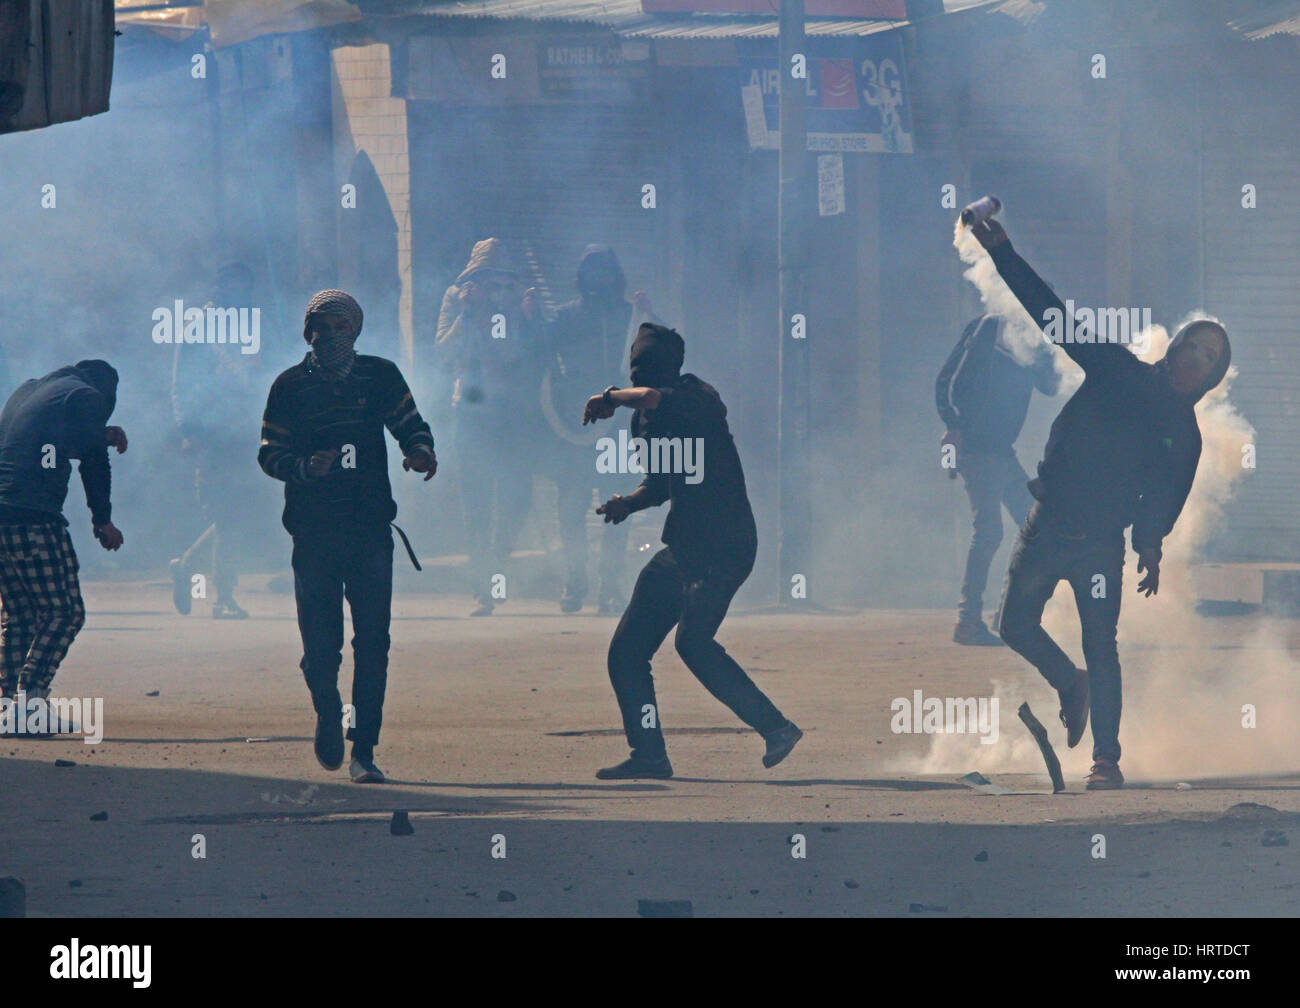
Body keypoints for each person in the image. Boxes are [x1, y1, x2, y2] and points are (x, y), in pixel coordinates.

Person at [971, 218, 1231, 790]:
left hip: (1099, 546)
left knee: (1102, 645)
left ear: (1211, 375)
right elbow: (1052, 316)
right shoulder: (1116, 368)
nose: (1197, 359)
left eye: (1210, 358)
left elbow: (1165, 496)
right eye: (1196, 346)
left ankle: (1106, 759)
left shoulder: (1184, 433)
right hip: (1046, 527)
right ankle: (1071, 684)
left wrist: (1149, 545)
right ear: (1177, 347)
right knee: (1013, 624)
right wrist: (1003, 252)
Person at [583, 323, 802, 779]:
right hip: (684, 546)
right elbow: (661, 482)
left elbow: (650, 397)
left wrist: (608, 396)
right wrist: (629, 503)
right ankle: (649, 754)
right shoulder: (644, 417)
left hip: (726, 544)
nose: (641, 371)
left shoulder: (697, 397)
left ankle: (776, 727)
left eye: (647, 363)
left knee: (693, 642)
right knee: (626, 652)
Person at [259, 290, 437, 784]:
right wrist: (303, 468)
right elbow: (269, 453)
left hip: (370, 531)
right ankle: (327, 710)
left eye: (341, 327)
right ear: (306, 331)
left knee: (373, 643)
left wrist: (420, 452)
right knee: (321, 646)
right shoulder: (289, 386)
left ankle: (364, 750)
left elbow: (410, 425)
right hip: (313, 534)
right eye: (321, 325)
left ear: (355, 331)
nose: (330, 336)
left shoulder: (379, 376)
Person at [0, 360, 126, 733]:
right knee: (65, 611)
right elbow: (93, 463)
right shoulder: (87, 396)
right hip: (33, 517)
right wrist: (102, 519)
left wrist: (98, 433)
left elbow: (45, 446)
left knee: (21, 616)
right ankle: (29, 703)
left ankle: (7, 706)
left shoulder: (31, 390)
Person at [545, 245, 659, 613]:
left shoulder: (630, 317)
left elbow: (656, 353)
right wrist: (528, 317)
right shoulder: (564, 318)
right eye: (592, 273)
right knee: (571, 509)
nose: (599, 281)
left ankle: (609, 587)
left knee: (617, 507)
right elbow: (542, 356)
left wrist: (649, 316)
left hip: (618, 428)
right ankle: (576, 583)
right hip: (575, 426)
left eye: (605, 273)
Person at [936, 312, 1059, 644]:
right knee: (990, 531)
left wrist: (1048, 346)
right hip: (976, 449)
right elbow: (947, 381)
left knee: (1033, 529)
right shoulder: (989, 326)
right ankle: (968, 622)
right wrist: (954, 425)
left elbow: (1050, 386)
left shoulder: (1032, 342)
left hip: (1002, 451)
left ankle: (1004, 616)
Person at [435, 239, 543, 616]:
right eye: (485, 279)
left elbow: (513, 354)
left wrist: (524, 319)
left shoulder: (517, 306)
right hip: (471, 412)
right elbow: (443, 352)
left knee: (516, 496)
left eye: (500, 280)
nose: (493, 288)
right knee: (476, 501)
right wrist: (467, 316)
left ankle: (497, 569)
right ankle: (484, 585)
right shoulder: (456, 301)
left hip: (513, 414)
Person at [170, 261, 269, 619]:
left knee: (236, 515)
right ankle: (222, 597)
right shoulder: (201, 324)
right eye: (234, 287)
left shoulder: (245, 327)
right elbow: (182, 382)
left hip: (243, 429)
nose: (240, 295)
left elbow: (254, 375)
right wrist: (187, 430)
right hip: (211, 433)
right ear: (220, 289)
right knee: (227, 515)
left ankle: (187, 565)